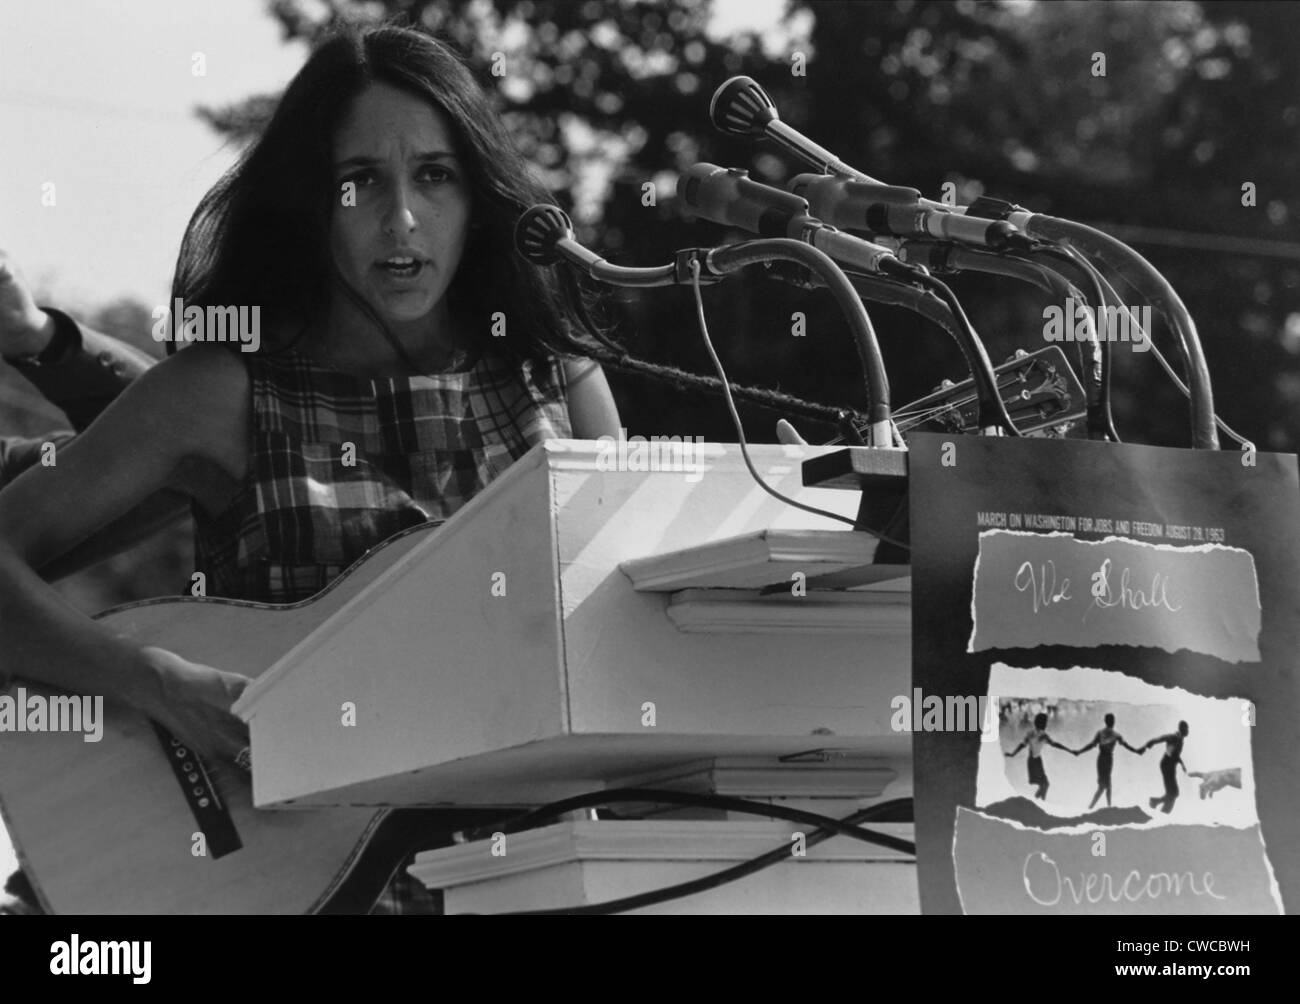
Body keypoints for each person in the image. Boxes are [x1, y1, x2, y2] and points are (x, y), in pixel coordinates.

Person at [0, 23, 621, 914]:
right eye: (358, 180)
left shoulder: (558, 378)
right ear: (309, 200)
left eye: (435, 176)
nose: (400, 219)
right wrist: (162, 687)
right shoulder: (218, 389)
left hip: (537, 881)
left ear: (479, 197)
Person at [1072, 712, 1144, 809]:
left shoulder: (1105, 733)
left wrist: (1080, 751)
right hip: (1105, 759)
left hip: (1104, 759)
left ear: (1106, 722)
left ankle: (1102, 807)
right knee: (1104, 786)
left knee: (1106, 785)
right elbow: (1126, 746)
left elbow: (1091, 745)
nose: (1111, 722)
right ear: (1111, 722)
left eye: (1111, 720)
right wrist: (1136, 751)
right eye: (1111, 720)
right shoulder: (1112, 734)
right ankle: (1096, 807)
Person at [1004, 711, 1070, 800]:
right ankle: (1039, 802)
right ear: (1041, 723)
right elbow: (1022, 744)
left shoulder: (1042, 735)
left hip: (1037, 761)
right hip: (1033, 762)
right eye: (1044, 723)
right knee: (1045, 784)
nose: (1045, 725)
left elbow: (1054, 744)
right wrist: (1013, 754)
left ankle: (1039, 802)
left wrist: (1068, 750)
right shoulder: (1033, 734)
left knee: (1045, 785)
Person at [1142, 721, 1190, 814]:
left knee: (1173, 793)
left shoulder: (1180, 739)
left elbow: (1175, 755)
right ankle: (1159, 806)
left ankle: (1158, 805)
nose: (1188, 731)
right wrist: (1150, 743)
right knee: (1174, 793)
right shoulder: (1175, 737)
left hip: (1170, 766)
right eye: (1187, 728)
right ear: (1182, 729)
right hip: (1167, 766)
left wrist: (1182, 764)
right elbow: (1162, 738)